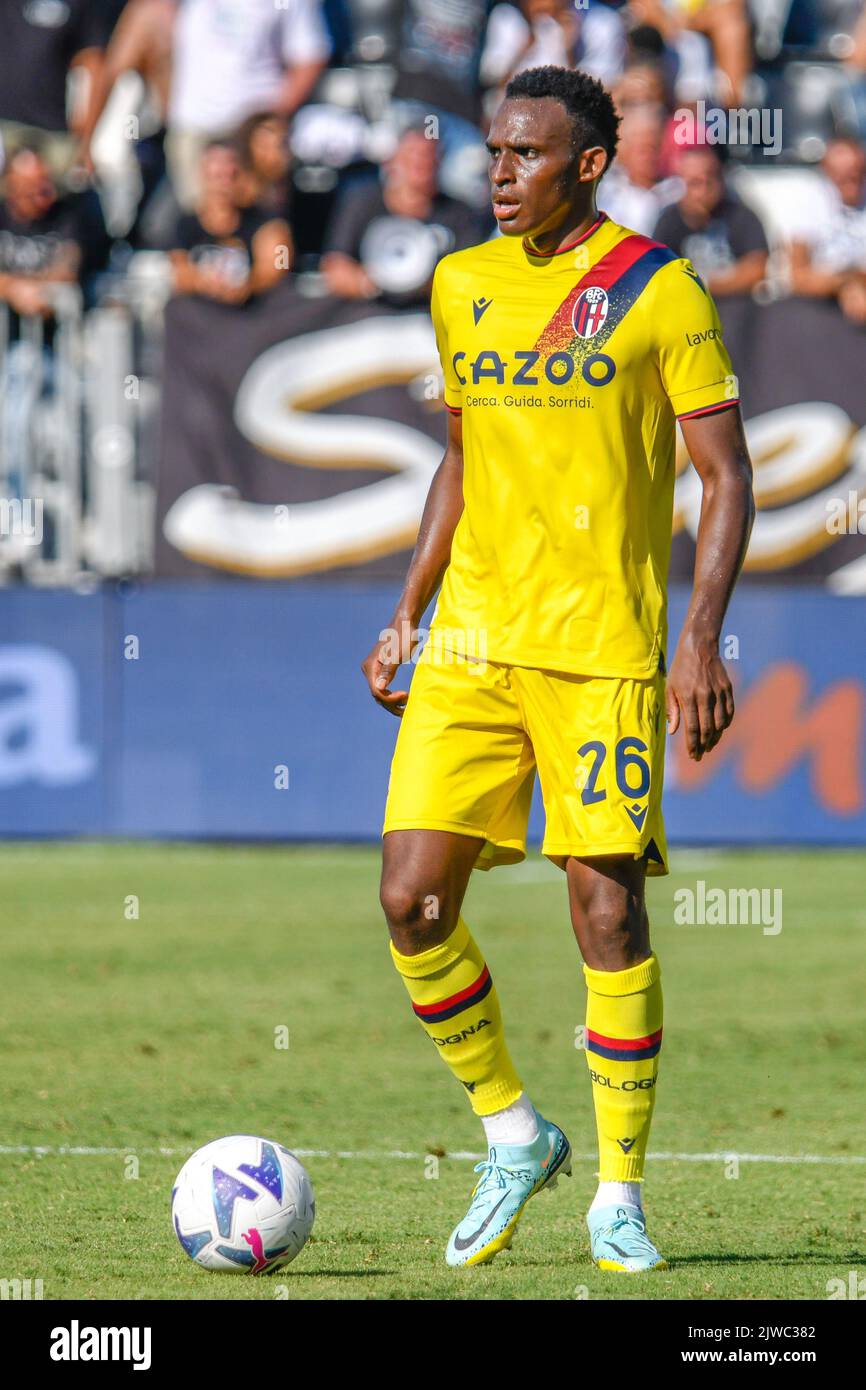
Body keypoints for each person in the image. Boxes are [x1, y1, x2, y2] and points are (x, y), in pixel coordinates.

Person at [361, 65, 754, 1271]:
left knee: (605, 910)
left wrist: (698, 640)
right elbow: (462, 458)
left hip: (601, 651)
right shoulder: (458, 283)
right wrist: (408, 611)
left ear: (587, 164)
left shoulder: (658, 290)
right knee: (409, 901)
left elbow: (725, 477)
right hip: (474, 639)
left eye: (527, 156)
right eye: (491, 153)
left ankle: (618, 1195)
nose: (499, 176)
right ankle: (511, 1131)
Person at [166, 0, 330, 210]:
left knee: (260, 222)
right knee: (197, 223)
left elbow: (310, 56)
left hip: (251, 129)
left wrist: (269, 125)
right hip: (193, 128)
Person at [321, 129, 487, 306]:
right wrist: (378, 283)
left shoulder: (459, 213)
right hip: (368, 315)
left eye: (429, 156)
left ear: (440, 161)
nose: (422, 162)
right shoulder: (363, 201)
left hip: (427, 316)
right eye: (413, 155)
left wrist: (422, 285)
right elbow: (334, 270)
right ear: (391, 162)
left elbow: (469, 279)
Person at [0, 0, 120, 182]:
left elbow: (93, 63)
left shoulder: (82, 6)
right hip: (5, 128)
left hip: (54, 134)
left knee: (60, 197)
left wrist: (86, 141)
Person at [168, 140, 291, 304]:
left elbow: (280, 265)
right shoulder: (185, 223)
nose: (222, 184)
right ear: (202, 175)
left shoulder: (266, 222)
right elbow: (179, 272)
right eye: (216, 176)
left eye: (230, 175)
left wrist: (251, 284)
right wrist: (206, 284)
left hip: (255, 311)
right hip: (203, 309)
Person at [653, 145, 768, 297]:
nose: (703, 192)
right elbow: (657, 272)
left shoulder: (740, 216)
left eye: (710, 181)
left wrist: (706, 285)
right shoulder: (669, 221)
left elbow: (757, 269)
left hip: (734, 310)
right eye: (695, 183)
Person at [788, 137, 866, 326]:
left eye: (858, 173)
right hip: (820, 306)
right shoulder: (809, 203)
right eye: (842, 175)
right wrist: (845, 285)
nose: (851, 180)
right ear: (827, 173)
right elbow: (797, 276)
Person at [598, 104, 681, 236]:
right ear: (624, 152)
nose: (650, 157)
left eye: (655, 148)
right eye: (643, 150)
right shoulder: (608, 195)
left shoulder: (677, 190)